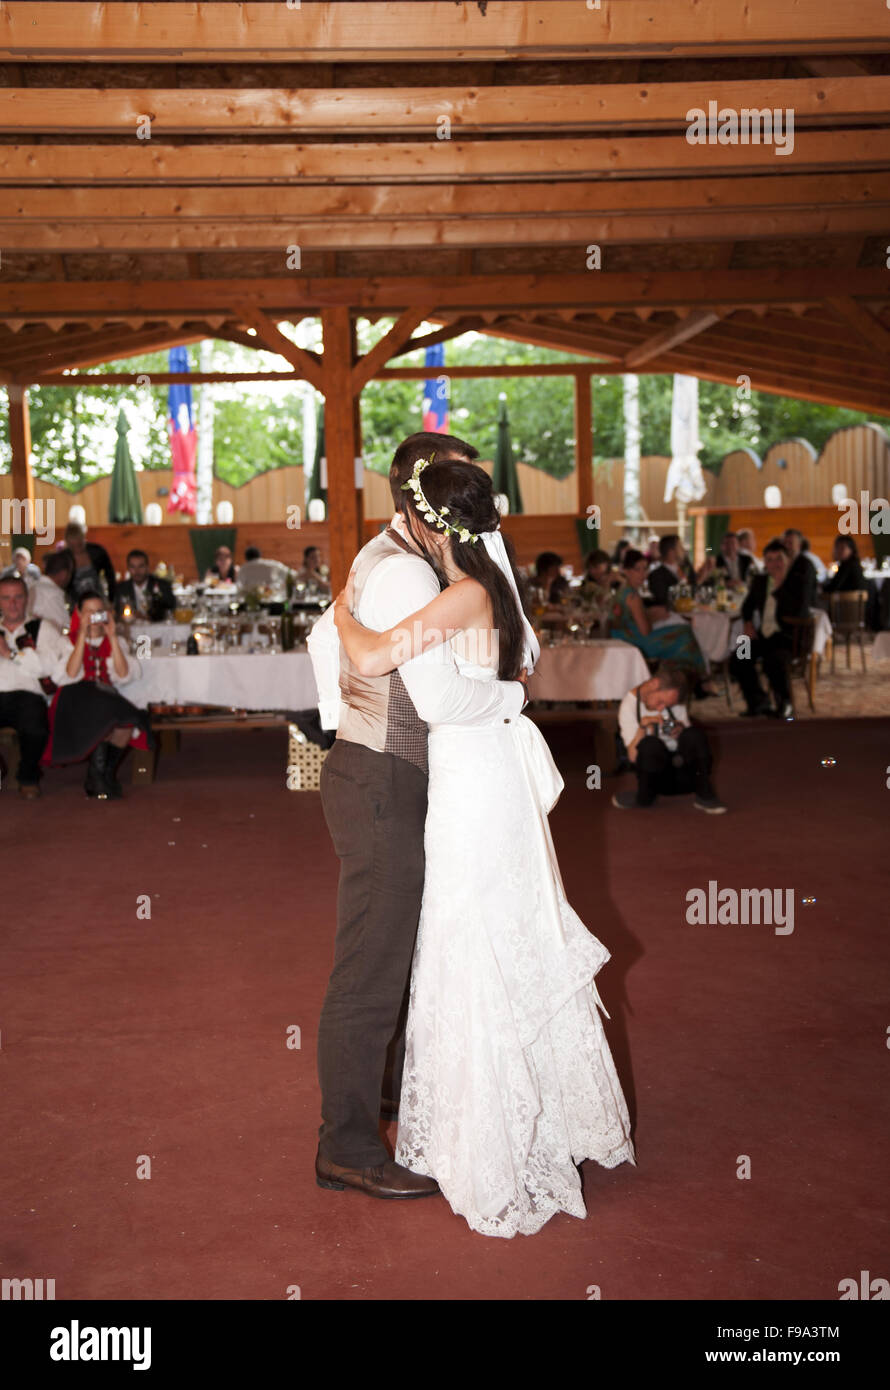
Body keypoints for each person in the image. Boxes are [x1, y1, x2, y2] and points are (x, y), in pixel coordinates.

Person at [331, 453, 635, 1238]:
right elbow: (517, 663)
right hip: (427, 775)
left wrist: (346, 624)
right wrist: (513, 695)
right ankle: (365, 1134)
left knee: (453, 945)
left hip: (461, 775)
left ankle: (465, 1123)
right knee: (436, 946)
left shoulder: (446, 583)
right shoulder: (478, 582)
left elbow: (404, 678)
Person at [307, 431, 526, 1204]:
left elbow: (321, 638)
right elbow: (413, 688)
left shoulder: (399, 558)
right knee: (369, 971)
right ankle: (349, 1147)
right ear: (422, 495)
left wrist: (345, 713)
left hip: (386, 772)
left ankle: (385, 1098)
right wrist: (356, 725)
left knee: (394, 957)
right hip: (381, 779)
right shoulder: (402, 570)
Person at [43, 591, 153, 799]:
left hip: (105, 698)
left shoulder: (116, 640)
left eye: (99, 612)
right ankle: (100, 778)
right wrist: (83, 636)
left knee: (127, 722)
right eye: (89, 612)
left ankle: (102, 775)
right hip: (74, 698)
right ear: (79, 613)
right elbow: (70, 674)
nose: (95, 617)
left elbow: (123, 675)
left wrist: (111, 636)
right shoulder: (68, 642)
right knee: (109, 716)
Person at [611, 664, 725, 814]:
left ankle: (705, 795)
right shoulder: (629, 706)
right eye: (660, 702)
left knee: (693, 734)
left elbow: (688, 741)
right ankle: (644, 798)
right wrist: (643, 727)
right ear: (653, 684)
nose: (661, 708)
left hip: (685, 775)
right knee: (650, 744)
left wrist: (679, 730)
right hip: (656, 779)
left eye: (666, 705)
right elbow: (633, 757)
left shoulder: (674, 697)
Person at [0, 573, 71, 799]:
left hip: (27, 695)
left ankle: (28, 776)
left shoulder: (42, 628)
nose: (12, 604)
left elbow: (47, 667)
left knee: (35, 728)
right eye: (6, 598)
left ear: (27, 599)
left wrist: (10, 654)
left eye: (18, 597)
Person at [729, 538, 811, 719]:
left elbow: (797, 611)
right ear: (764, 562)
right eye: (770, 560)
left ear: (787, 560)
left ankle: (785, 704)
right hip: (762, 637)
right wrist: (748, 623)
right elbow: (747, 605)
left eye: (779, 559)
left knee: (774, 661)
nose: (774, 564)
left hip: (788, 638)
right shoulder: (760, 580)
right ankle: (758, 702)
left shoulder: (798, 581)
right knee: (739, 658)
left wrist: (780, 584)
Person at [609, 548, 709, 682]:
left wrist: (649, 615)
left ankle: (685, 680)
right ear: (626, 571)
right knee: (685, 633)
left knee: (680, 630)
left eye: (645, 569)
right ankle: (697, 680)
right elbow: (645, 631)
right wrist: (653, 616)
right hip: (636, 644)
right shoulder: (632, 595)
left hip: (623, 639)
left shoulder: (622, 591)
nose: (642, 574)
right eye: (637, 569)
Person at [62, 523, 116, 604]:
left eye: (79, 545)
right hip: (76, 603)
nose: (77, 550)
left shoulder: (97, 551)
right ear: (68, 544)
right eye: (73, 546)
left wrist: (111, 599)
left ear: (83, 539)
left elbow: (110, 575)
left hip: (98, 599)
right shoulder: (64, 557)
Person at [115, 549, 175, 621]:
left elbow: (170, 609)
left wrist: (149, 617)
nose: (137, 571)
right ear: (128, 568)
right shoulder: (121, 588)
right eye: (132, 567)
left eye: (141, 566)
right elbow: (117, 612)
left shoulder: (162, 586)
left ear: (147, 567)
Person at [28, 552, 73, 632]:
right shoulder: (53, 593)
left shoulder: (32, 585)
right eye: (70, 573)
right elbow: (64, 625)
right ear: (64, 574)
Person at [781, 529, 819, 607]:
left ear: (799, 545)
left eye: (790, 543)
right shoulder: (780, 564)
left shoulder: (806, 565)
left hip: (804, 611)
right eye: (784, 543)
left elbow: (804, 595)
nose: (786, 546)